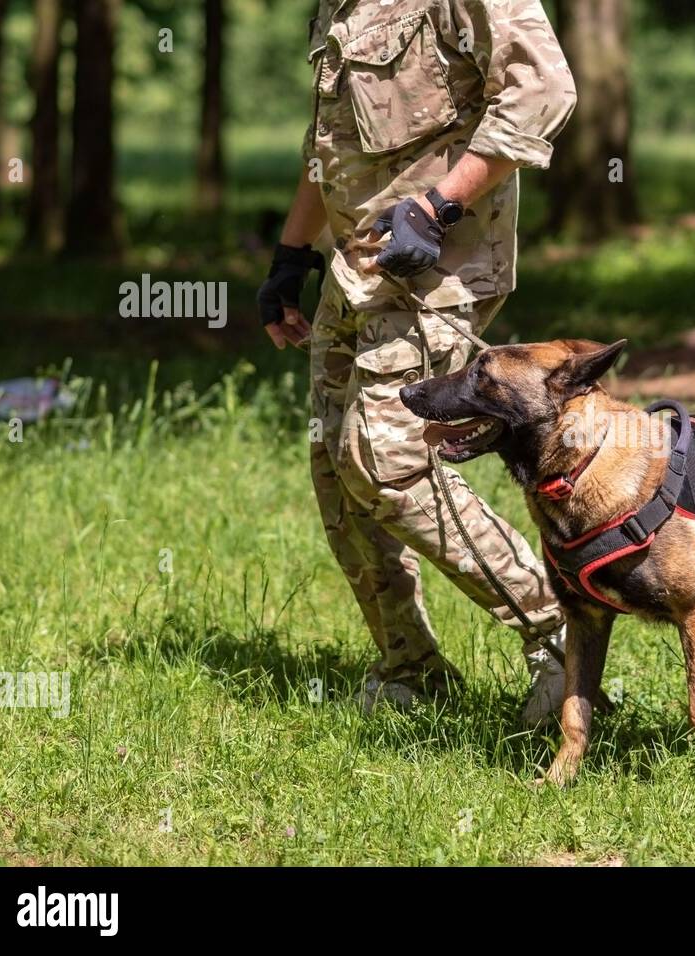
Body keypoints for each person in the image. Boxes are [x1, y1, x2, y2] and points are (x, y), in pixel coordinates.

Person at [257, 0, 576, 723]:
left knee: (388, 459)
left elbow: (545, 89)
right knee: (337, 465)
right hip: (357, 269)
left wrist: (438, 207)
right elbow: (329, 141)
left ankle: (561, 636)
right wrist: (292, 253)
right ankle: (412, 669)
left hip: (438, 268)